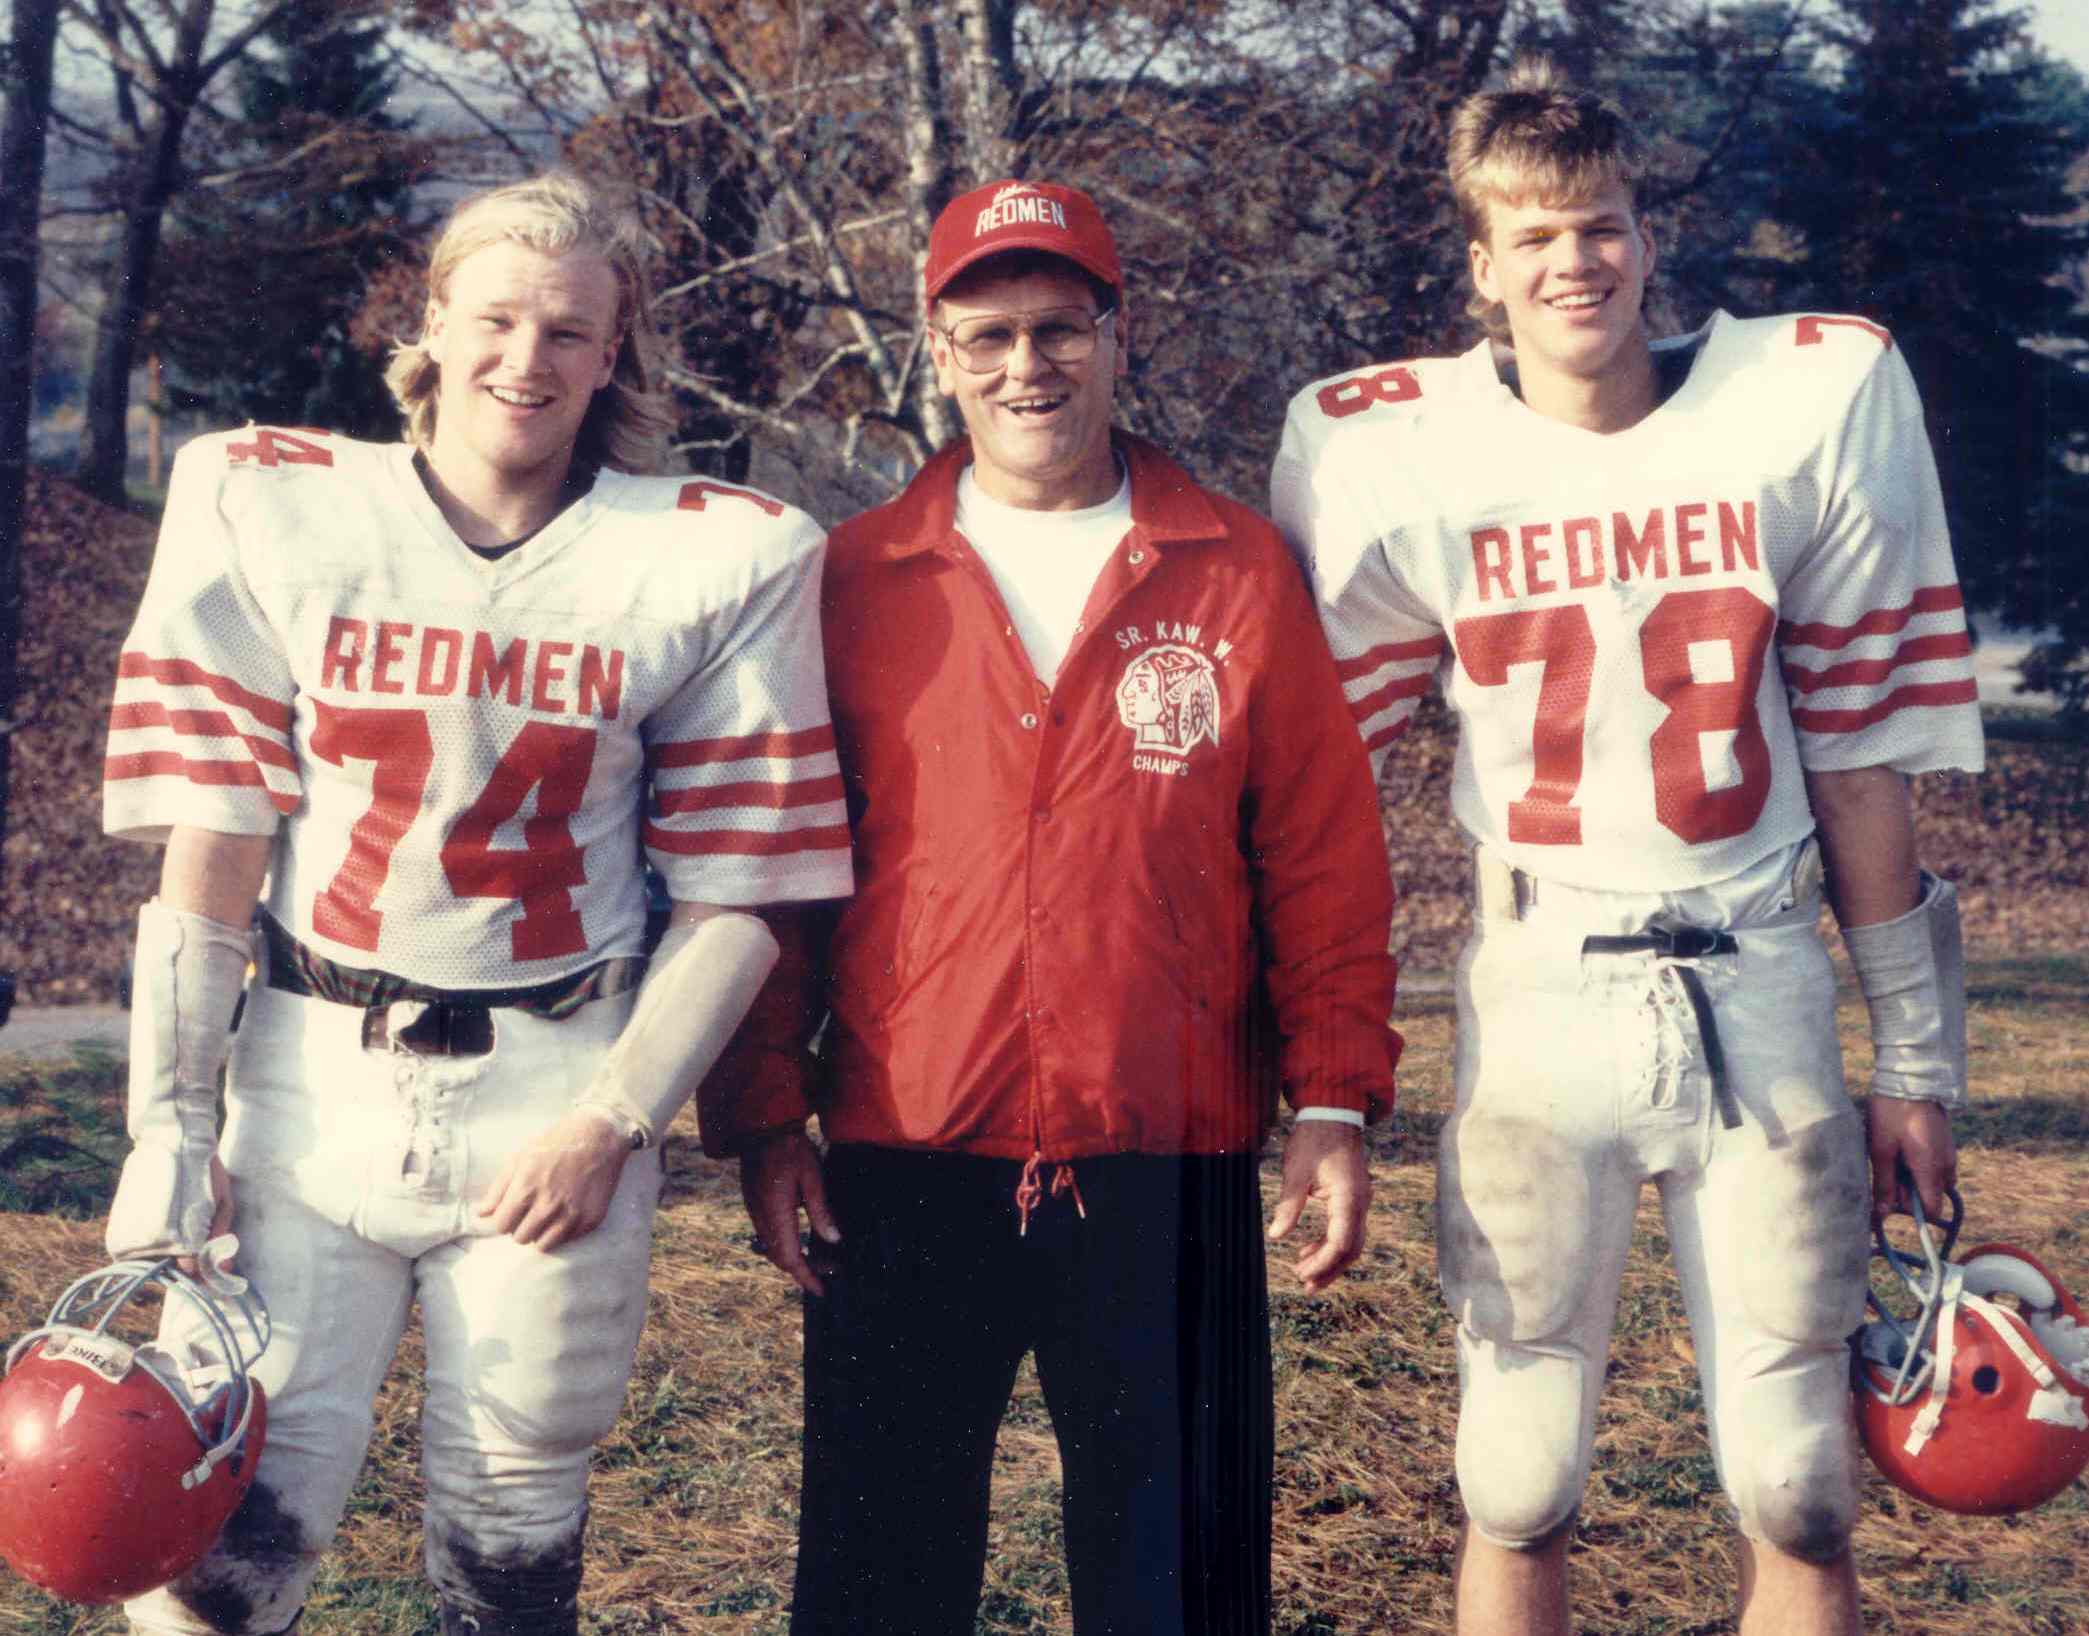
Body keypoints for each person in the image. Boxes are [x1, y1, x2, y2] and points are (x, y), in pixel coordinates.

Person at [1272, 58, 1982, 1636]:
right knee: (1515, 1472)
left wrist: (1915, 1064)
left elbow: (1859, 760)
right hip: (1539, 986)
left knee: (1797, 1479)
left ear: (1647, 238)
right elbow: (1317, 800)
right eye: (1530, 237)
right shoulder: (1387, 448)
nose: (1571, 262)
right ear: (1480, 266)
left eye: (1597, 225)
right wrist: (1323, 1074)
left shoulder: (1802, 401)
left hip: (1760, 972)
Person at [99, 172, 851, 1636]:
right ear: (431, 324)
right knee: (233, 1518)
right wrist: (170, 1126)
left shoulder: (721, 552)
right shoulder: (275, 501)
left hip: (557, 1075)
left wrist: (614, 1121)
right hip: (310, 1072)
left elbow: (738, 895)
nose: (527, 358)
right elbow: (216, 841)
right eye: (496, 318)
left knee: (515, 1535)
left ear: (613, 353)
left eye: (568, 331)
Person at [703, 178, 1401, 1636]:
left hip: (1168, 1152)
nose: (1028, 366)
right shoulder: (852, 578)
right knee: (879, 1586)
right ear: (939, 351)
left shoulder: (1234, 568)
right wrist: (767, 1116)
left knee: (1182, 1587)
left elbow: (1321, 857)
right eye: (990, 334)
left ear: (1115, 335)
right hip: (906, 1150)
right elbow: (778, 872)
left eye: (1060, 328)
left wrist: (1333, 1095)